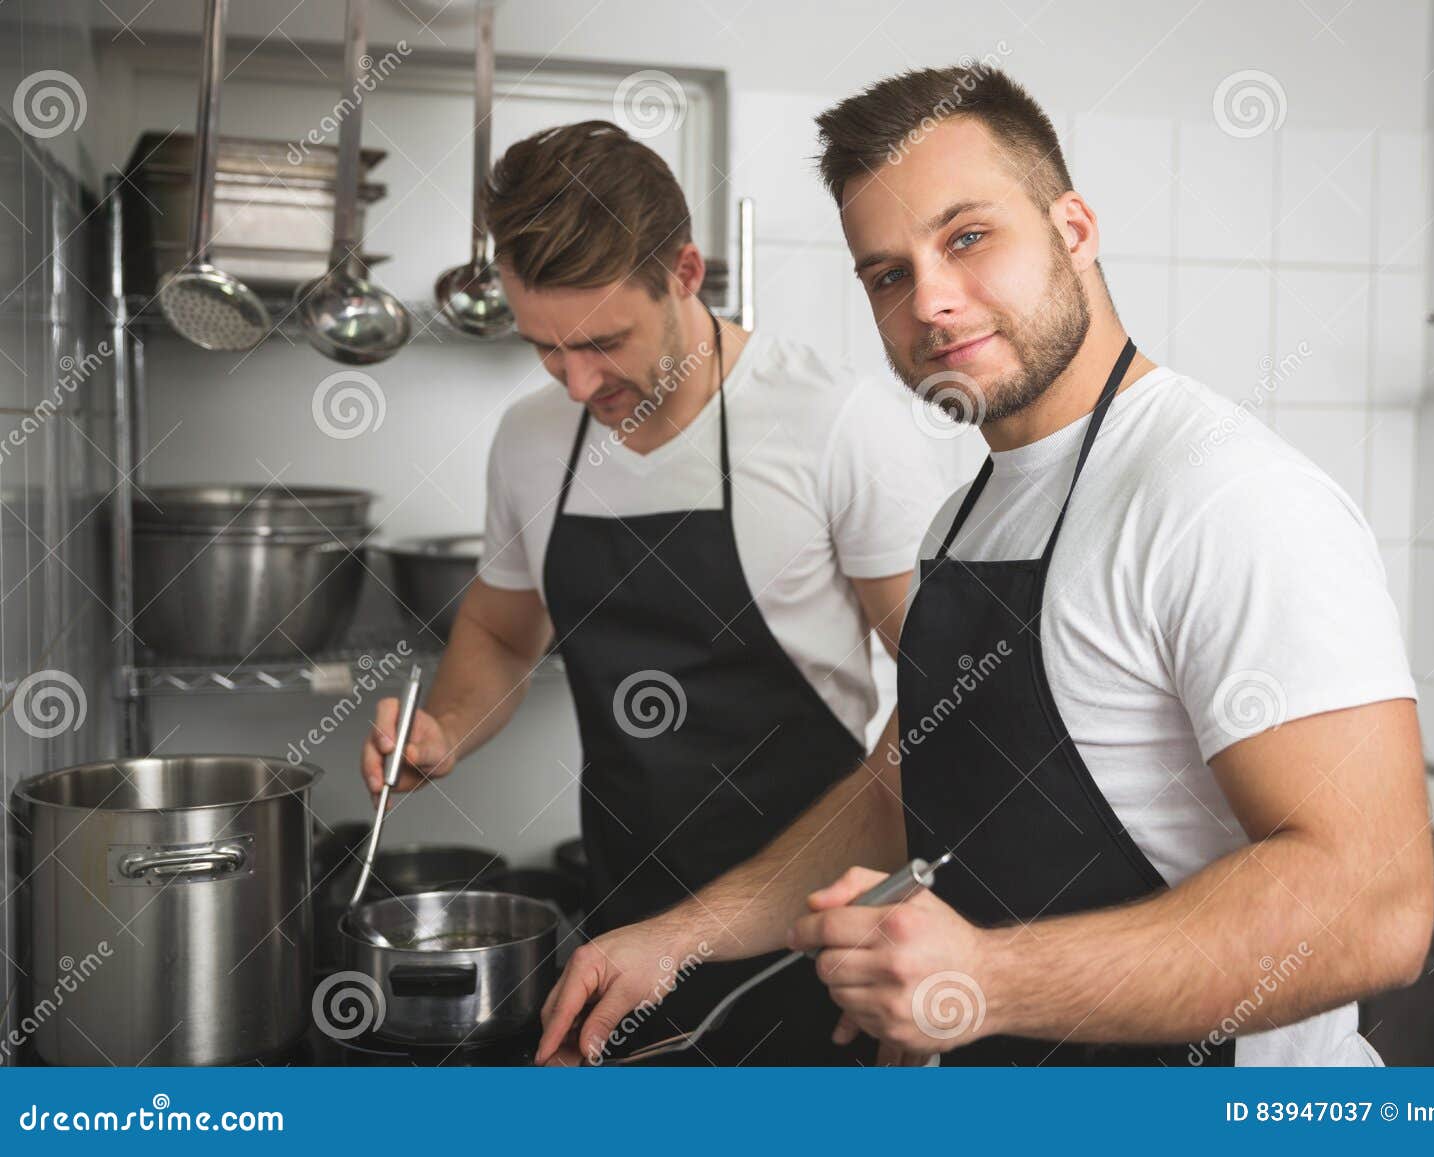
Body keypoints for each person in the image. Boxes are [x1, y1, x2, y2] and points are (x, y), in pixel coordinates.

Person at [535, 69, 1434, 1067]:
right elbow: (889, 795)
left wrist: (986, 978)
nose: (931, 300)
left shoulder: (1225, 496)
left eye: (967, 237)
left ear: (1075, 228)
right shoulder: (962, 516)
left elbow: (1372, 901)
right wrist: (679, 937)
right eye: (886, 273)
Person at [360, 119, 977, 1065]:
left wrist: (923, 908)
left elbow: (947, 694)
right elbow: (498, 631)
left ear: (685, 272)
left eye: (603, 342)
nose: (576, 381)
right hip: (620, 913)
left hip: (808, 926)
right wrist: (443, 727)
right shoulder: (531, 440)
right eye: (544, 348)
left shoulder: (831, 422)